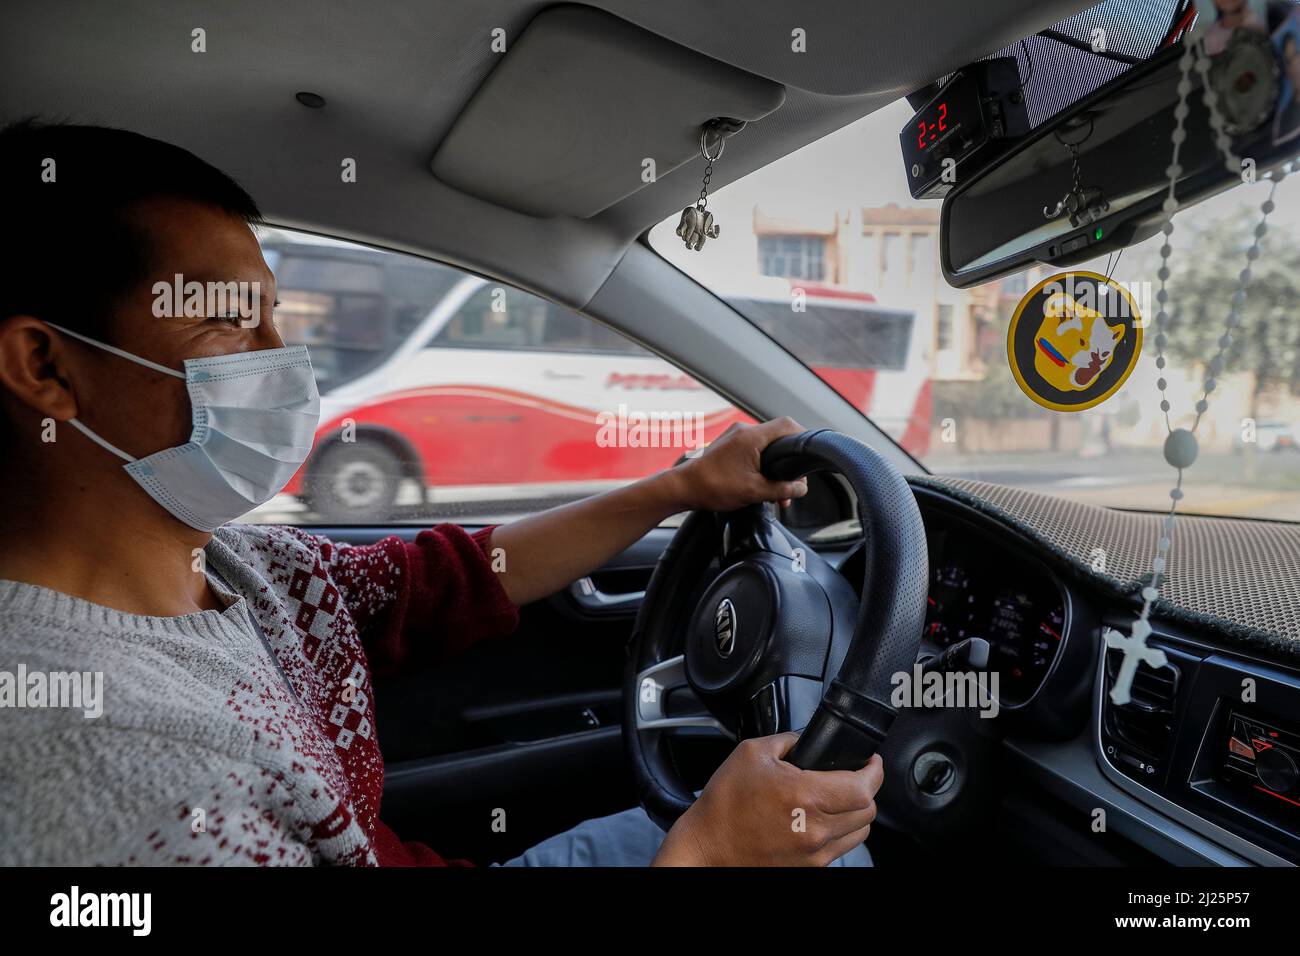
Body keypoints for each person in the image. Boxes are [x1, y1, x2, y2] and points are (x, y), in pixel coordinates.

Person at [0, 120, 881, 867]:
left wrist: (680, 486)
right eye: (228, 323)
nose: (281, 361)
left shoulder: (228, 561)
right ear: (45, 366)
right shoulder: (102, 765)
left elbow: (453, 578)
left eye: (276, 317)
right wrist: (709, 854)